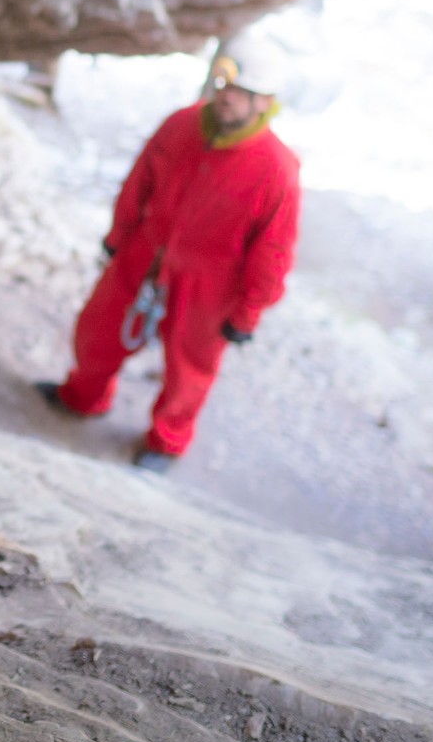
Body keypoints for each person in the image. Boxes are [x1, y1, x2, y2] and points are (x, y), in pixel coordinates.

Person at [34, 33, 301, 470]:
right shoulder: (183, 124)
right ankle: (82, 397)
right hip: (146, 253)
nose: (226, 97)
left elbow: (274, 250)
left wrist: (248, 312)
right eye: (224, 86)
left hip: (211, 284)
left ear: (264, 101)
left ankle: (166, 442)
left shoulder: (277, 168)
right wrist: (119, 236)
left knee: (189, 371)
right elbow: (139, 181)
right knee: (99, 330)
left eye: (240, 92)